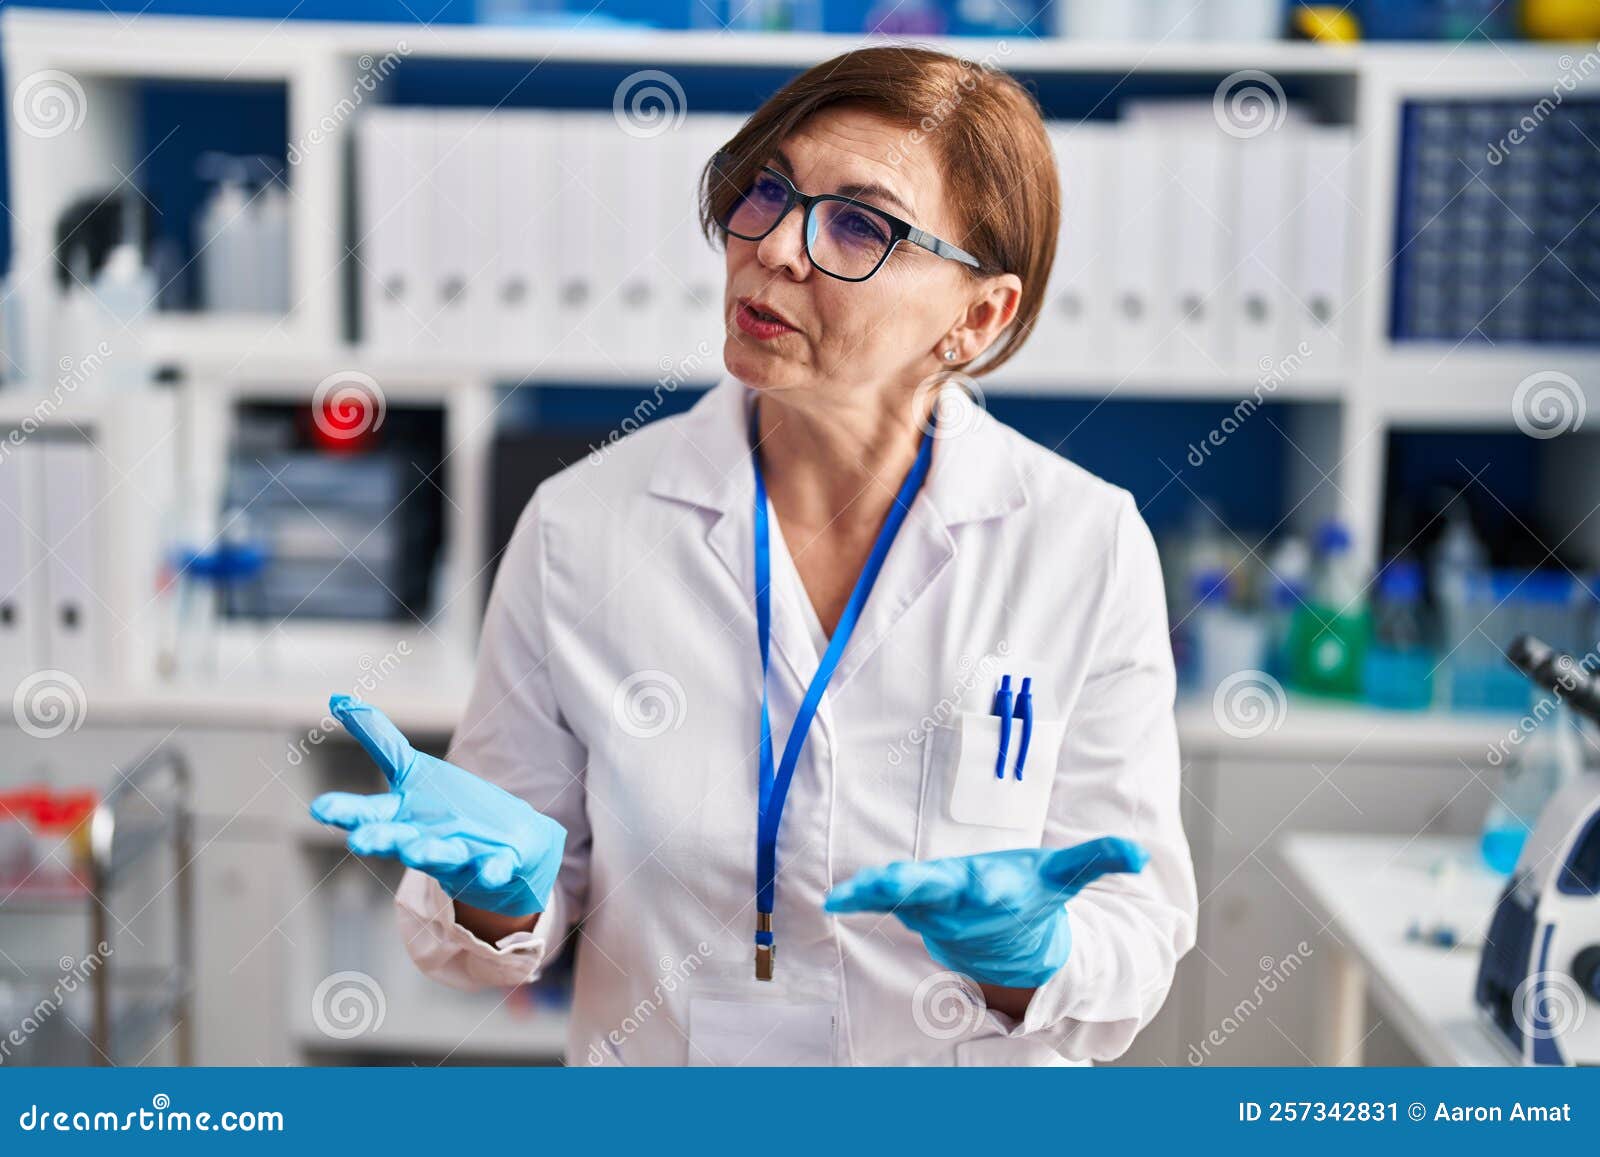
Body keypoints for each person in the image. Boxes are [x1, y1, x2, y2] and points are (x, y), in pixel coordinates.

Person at [311, 44, 1196, 1066]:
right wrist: (495, 899)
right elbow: (487, 918)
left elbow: (1135, 930)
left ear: (977, 315)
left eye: (858, 223)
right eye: (766, 191)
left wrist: (1031, 954)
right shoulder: (582, 527)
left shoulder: (1079, 543)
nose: (774, 245)